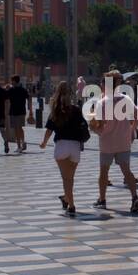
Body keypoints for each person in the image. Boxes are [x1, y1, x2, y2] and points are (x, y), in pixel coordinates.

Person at [91, 71, 138, 213]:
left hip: (107, 141)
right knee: (126, 171)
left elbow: (99, 125)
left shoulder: (102, 102)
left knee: (104, 172)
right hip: (123, 140)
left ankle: (102, 199)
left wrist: (96, 130)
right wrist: (132, 130)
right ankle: (134, 197)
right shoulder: (125, 99)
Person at [41, 80, 90, 216]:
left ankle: (72, 205)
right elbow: (84, 126)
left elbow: (49, 130)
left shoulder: (56, 111)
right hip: (75, 146)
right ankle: (66, 198)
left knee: (66, 179)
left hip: (62, 145)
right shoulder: (76, 109)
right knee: (70, 178)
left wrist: (44, 143)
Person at [7, 74, 30, 154]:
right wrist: (30, 109)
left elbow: (5, 96)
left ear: (14, 81)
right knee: (19, 128)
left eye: (11, 81)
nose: (11, 82)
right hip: (21, 111)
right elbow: (29, 98)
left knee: (16, 129)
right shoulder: (23, 89)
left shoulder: (11, 90)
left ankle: (19, 146)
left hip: (14, 111)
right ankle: (23, 142)